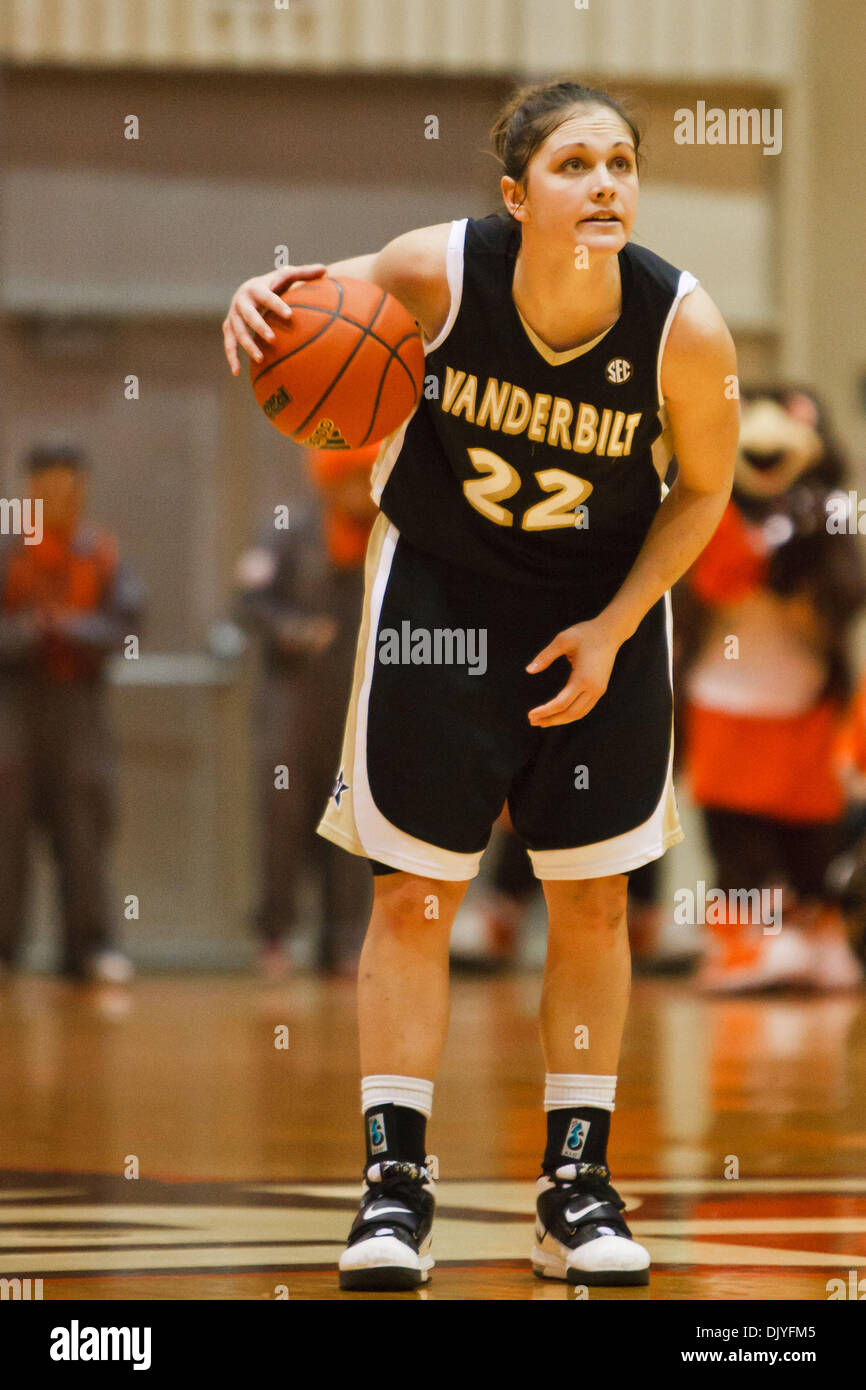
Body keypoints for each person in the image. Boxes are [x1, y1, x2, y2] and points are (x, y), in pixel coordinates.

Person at [222, 80, 737, 1290]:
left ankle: (574, 1186)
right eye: (573, 165)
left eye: (619, 163)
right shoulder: (438, 270)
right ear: (516, 193)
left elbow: (704, 490)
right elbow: (304, 301)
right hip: (440, 602)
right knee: (413, 897)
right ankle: (393, 1187)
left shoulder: (681, 325)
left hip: (599, 612)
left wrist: (615, 625)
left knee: (593, 900)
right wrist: (257, 292)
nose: (603, 183)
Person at [0, 445, 143, 982]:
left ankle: (89, 947)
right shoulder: (7, 550)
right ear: (29, 492)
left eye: (70, 489)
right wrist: (27, 634)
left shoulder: (99, 552)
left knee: (84, 825)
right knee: (5, 829)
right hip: (13, 703)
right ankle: (5, 950)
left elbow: (126, 627)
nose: (61, 500)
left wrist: (69, 628)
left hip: (79, 707)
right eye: (49, 489)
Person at [234, 447, 377, 977]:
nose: (361, 490)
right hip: (291, 705)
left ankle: (343, 942)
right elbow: (249, 600)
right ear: (329, 479)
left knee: (351, 824)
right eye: (352, 478)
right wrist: (291, 631)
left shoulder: (389, 537)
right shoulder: (289, 533)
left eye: (368, 477)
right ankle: (275, 936)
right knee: (283, 818)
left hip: (354, 707)